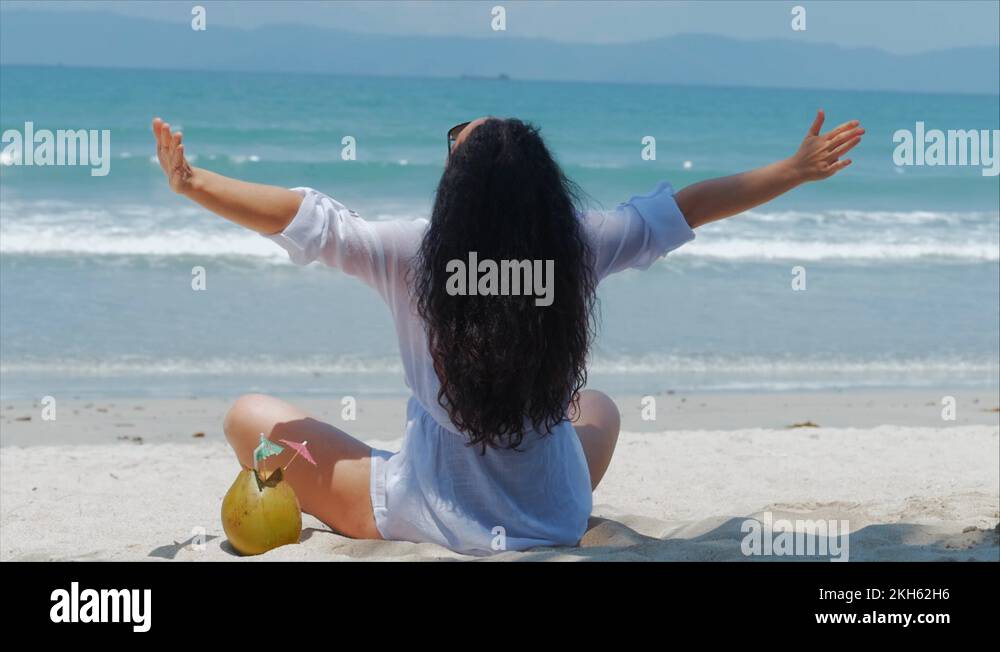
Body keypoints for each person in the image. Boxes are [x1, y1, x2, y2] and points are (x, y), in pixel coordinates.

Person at [151, 112, 862, 554]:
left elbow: (307, 222)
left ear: (453, 191)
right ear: (542, 190)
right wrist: (793, 171)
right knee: (600, 407)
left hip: (421, 514)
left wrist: (194, 182)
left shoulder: (411, 252)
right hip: (557, 511)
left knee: (253, 422)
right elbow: (687, 208)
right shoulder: (579, 243)